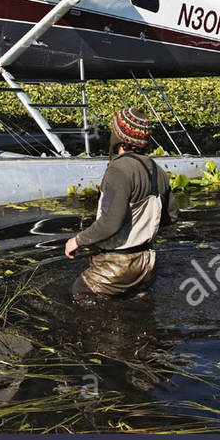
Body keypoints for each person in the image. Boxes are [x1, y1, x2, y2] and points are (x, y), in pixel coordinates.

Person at [64, 107, 176, 302]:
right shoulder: (159, 171)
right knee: (136, 311)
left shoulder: (118, 170)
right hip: (147, 263)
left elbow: (110, 223)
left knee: (80, 295)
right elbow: (171, 216)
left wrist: (77, 240)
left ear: (119, 136)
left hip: (117, 265)